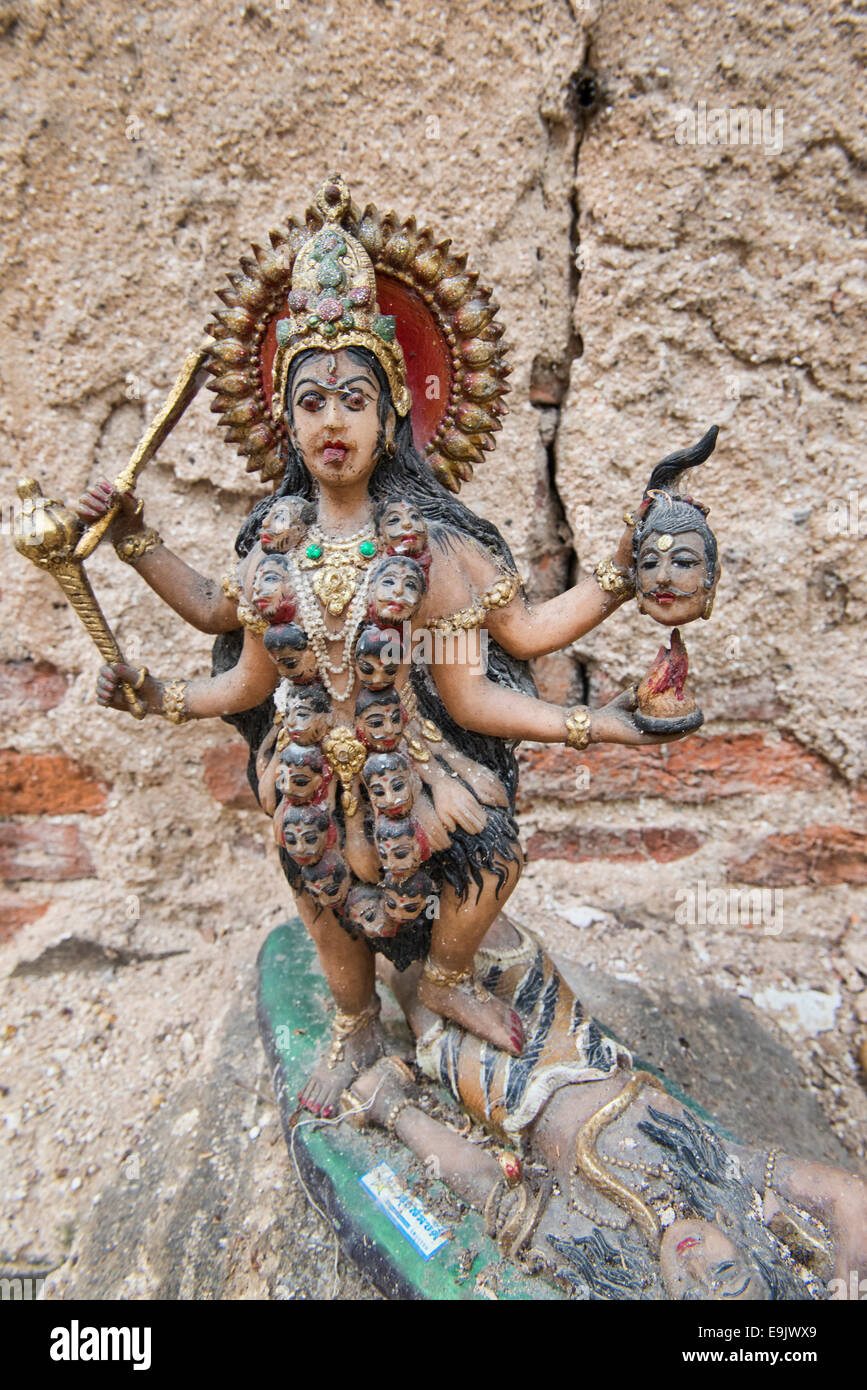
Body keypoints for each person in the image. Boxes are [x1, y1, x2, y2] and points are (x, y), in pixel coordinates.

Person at [81, 173, 713, 1120]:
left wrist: (616, 622)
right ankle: (354, 1026)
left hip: (411, 761)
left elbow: (506, 656)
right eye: (310, 402)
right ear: (286, 422)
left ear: (392, 416)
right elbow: (231, 645)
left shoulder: (433, 548)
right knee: (320, 897)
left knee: (492, 858)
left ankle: (445, 978)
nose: (331, 421)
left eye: (353, 399)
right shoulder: (273, 548)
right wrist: (147, 622)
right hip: (305, 766)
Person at [345, 915, 867, 1300]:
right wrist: (846, 1286)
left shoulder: (597, 1242)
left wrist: (394, 1111)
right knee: (471, 904)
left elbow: (489, 1189)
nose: (695, 1268)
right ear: (752, 1256)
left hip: (506, 1089)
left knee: (403, 962)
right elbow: (849, 1195)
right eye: (727, 1276)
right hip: (580, 1048)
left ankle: (361, 948)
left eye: (689, 1295)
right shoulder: (724, 1179)